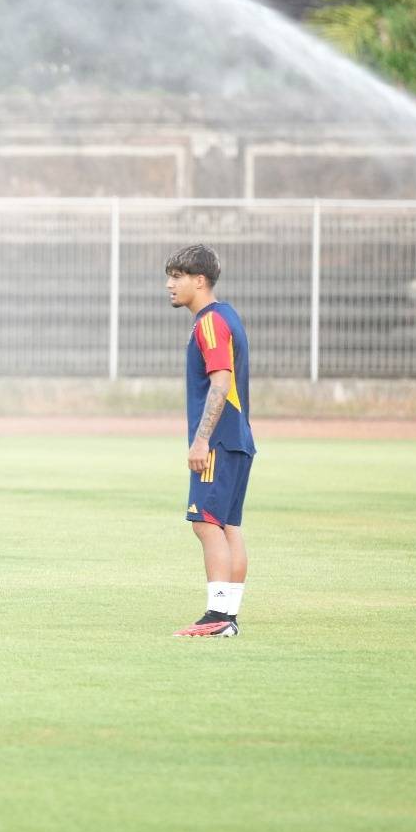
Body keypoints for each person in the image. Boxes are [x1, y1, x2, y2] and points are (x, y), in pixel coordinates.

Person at [165, 244, 256, 637]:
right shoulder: (227, 315)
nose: (169, 285)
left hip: (218, 440)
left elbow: (220, 381)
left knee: (205, 523)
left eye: (177, 276)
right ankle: (228, 617)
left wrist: (201, 441)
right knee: (227, 526)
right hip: (238, 438)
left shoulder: (209, 322)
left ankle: (217, 615)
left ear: (199, 280)